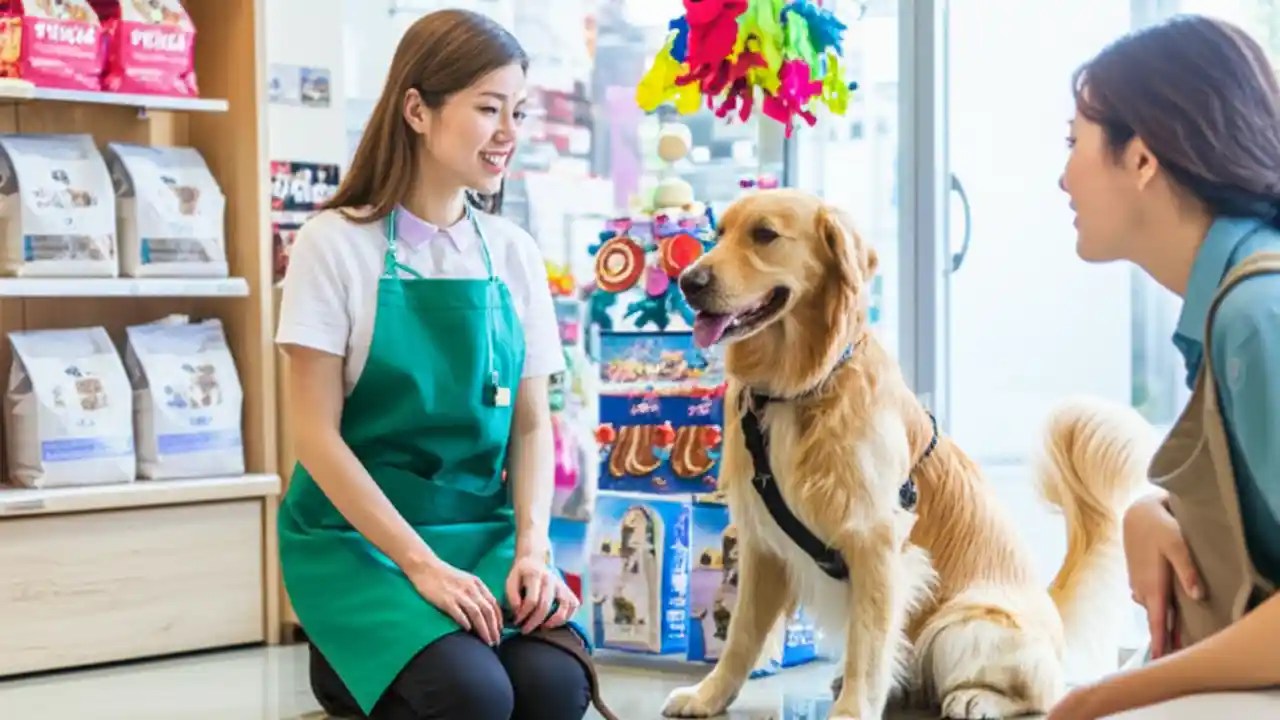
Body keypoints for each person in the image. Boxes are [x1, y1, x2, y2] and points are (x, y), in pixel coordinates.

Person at [275, 10, 596, 720]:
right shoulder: (333, 245)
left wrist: (534, 552)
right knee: (471, 697)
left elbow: (533, 425)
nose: (509, 133)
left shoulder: (511, 251)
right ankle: (342, 667)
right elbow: (315, 438)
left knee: (555, 687)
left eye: (518, 110)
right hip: (361, 546)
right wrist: (419, 565)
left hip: (479, 537)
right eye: (488, 109)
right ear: (417, 109)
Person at [1048, 14, 1280, 719]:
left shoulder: (1256, 317)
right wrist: (1156, 510)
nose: (1062, 177)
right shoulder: (1233, 305)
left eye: (1073, 143)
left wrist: (1098, 699)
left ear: (1141, 159)